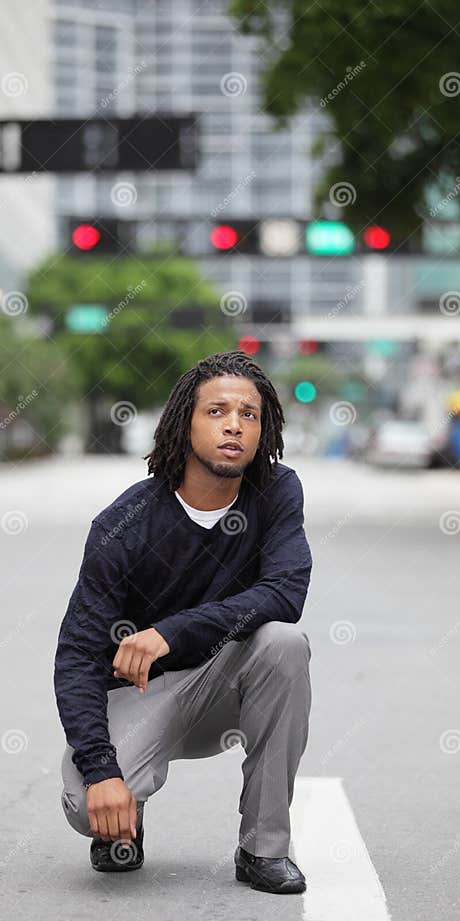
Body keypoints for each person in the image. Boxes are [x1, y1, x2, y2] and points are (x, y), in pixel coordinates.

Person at [53, 349, 313, 895]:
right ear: (183, 423)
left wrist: (172, 632)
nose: (234, 426)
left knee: (286, 642)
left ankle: (262, 849)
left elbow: (285, 593)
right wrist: (101, 771)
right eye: (216, 411)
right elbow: (77, 656)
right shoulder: (124, 524)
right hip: (141, 694)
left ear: (264, 430)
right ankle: (126, 815)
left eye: (250, 414)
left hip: (225, 689)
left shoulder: (276, 492)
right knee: (85, 803)